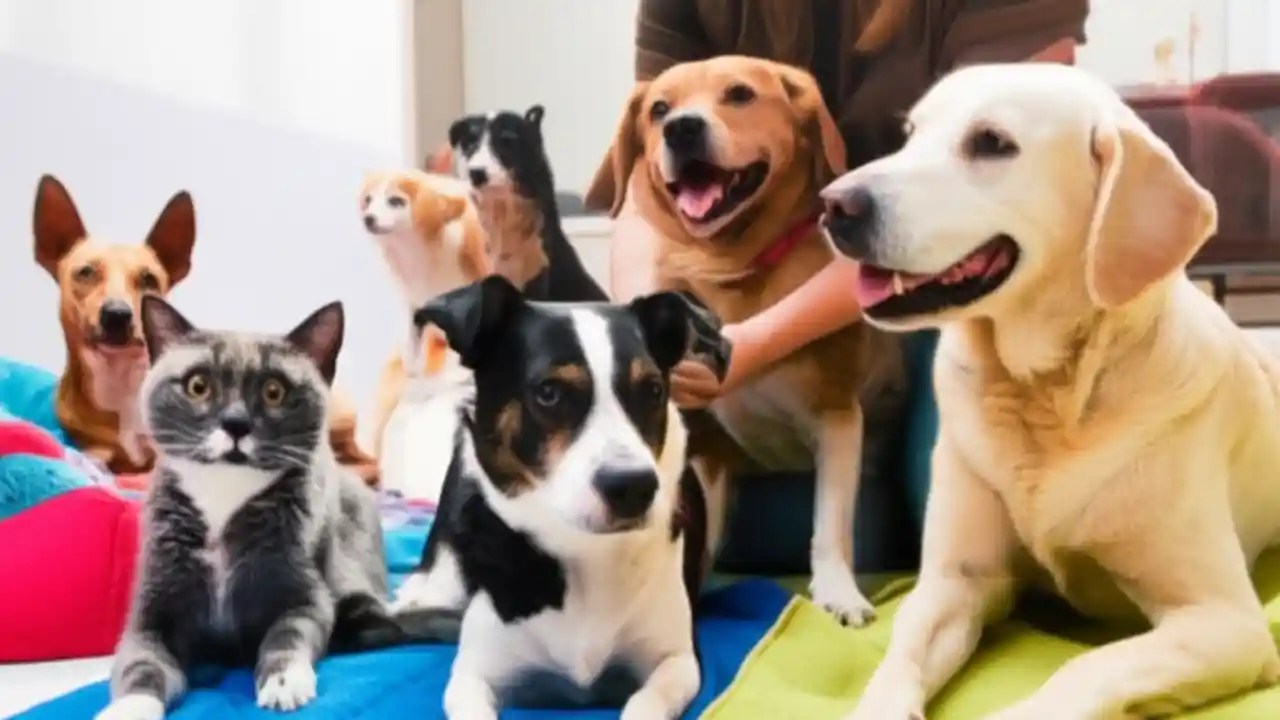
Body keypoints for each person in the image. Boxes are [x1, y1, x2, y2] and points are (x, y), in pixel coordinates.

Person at [586, 0, 1089, 571]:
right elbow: (650, 190)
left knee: (973, 548)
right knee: (640, 527)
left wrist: (751, 346)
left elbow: (1017, 179)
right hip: (776, 321)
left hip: (959, 292)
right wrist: (649, 331)